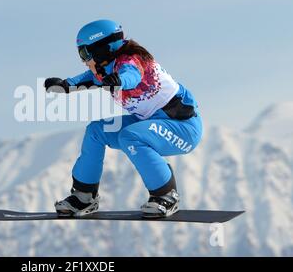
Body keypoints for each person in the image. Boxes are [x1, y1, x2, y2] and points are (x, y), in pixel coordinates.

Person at [44, 19, 203, 218]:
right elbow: (87, 78)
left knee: (130, 136)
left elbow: (132, 76)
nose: (83, 60)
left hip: (183, 128)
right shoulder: (106, 68)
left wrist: (120, 81)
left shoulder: (132, 61)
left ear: (102, 49)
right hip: (150, 122)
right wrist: (66, 84)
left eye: (85, 53)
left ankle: (165, 195)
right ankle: (84, 196)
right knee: (96, 131)